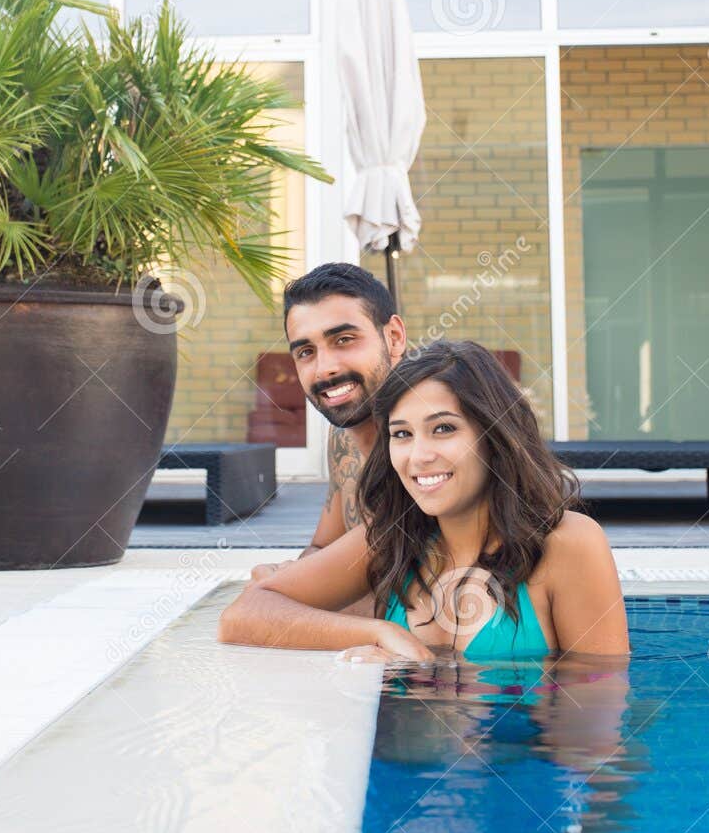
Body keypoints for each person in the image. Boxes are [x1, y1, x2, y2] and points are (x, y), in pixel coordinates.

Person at [220, 338, 630, 663]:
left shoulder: (568, 544)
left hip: (523, 762)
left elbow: (598, 701)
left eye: (444, 429)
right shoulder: (391, 539)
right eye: (402, 434)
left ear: (494, 437)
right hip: (411, 759)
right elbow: (243, 615)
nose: (418, 456)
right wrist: (382, 633)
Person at [249, 262, 405, 583]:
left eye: (344, 339)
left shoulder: (427, 443)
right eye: (306, 351)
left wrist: (286, 586)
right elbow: (322, 546)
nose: (324, 369)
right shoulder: (344, 438)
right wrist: (291, 573)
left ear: (394, 337)